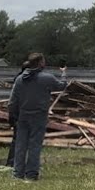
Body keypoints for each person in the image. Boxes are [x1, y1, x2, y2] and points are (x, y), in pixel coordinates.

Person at [7, 52, 67, 182]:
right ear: (40, 63)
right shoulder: (47, 78)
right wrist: (63, 73)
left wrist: (12, 116)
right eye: (43, 61)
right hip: (39, 116)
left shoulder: (20, 79)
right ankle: (31, 174)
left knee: (20, 145)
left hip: (23, 116)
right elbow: (62, 85)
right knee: (34, 145)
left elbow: (13, 101)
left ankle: (18, 173)